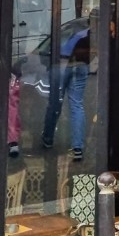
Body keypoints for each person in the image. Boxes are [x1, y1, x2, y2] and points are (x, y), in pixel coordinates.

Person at [41, 27, 90, 159]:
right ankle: (77, 147)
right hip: (81, 65)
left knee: (55, 103)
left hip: (60, 65)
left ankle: (48, 138)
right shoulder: (87, 34)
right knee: (77, 105)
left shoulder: (67, 32)